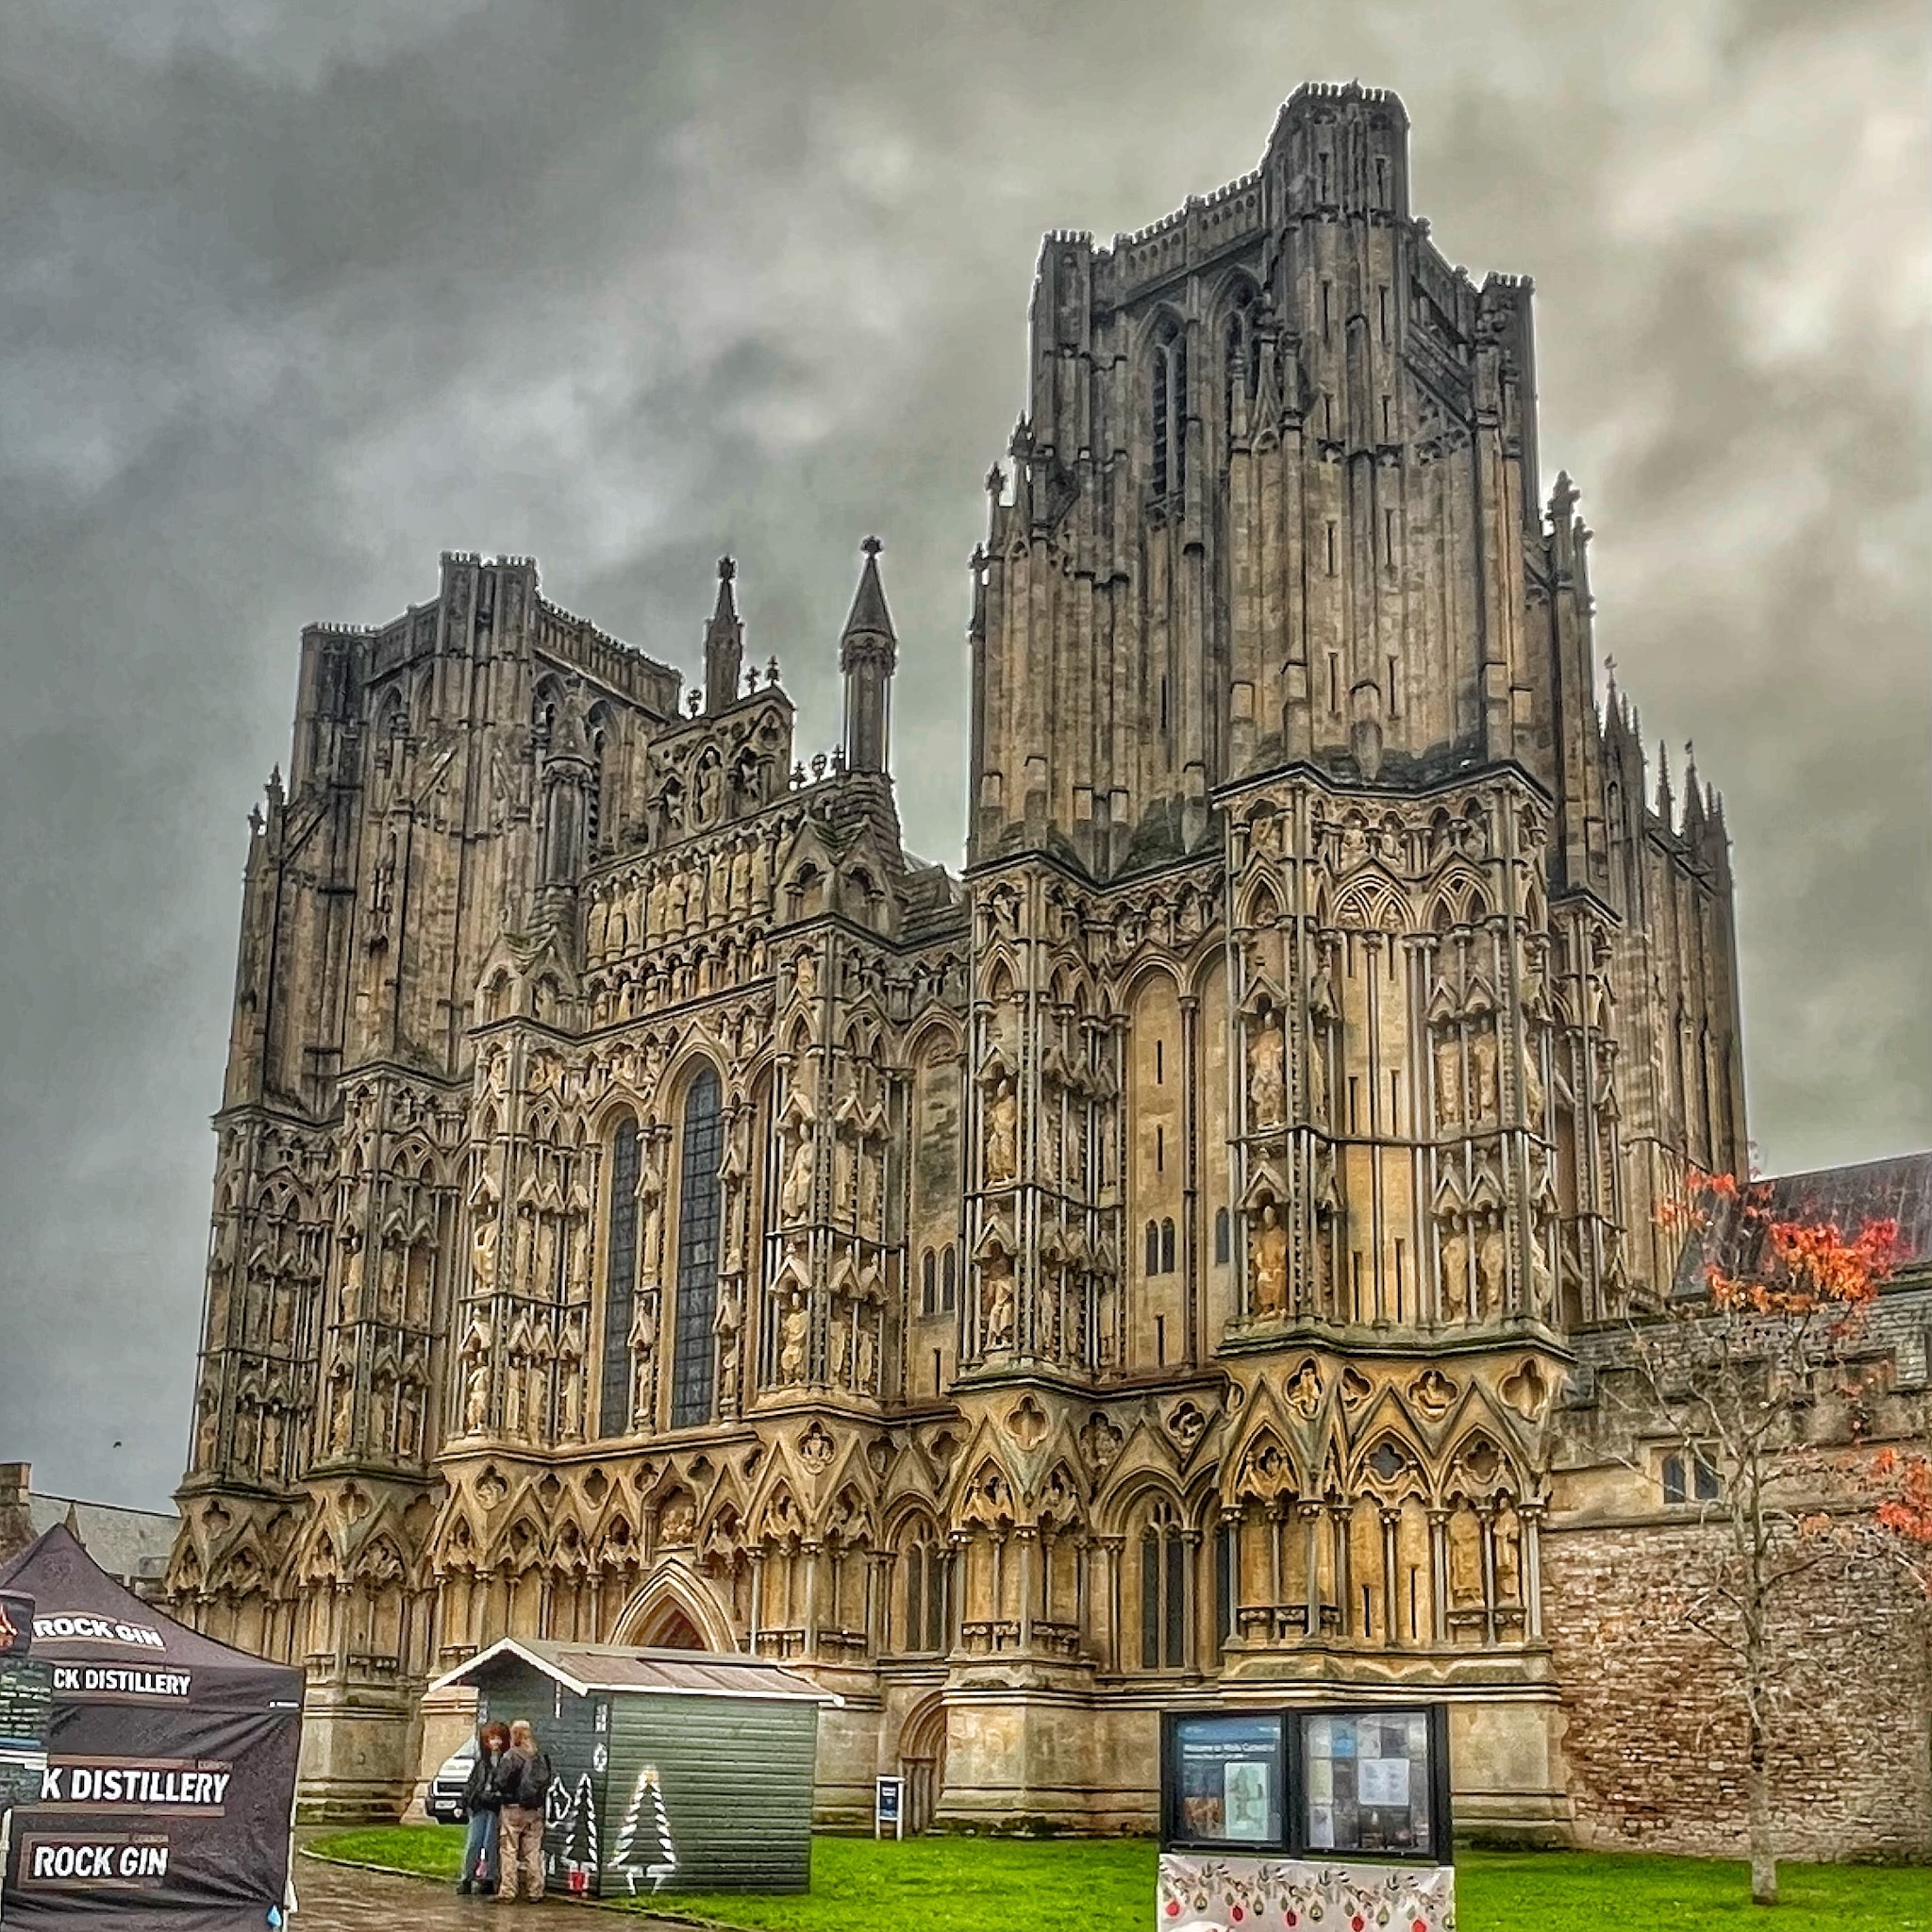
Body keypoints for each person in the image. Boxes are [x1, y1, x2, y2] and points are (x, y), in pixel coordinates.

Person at [492, 1718, 553, 1904]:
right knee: (533, 1851)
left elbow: (501, 1782)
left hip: (513, 1809)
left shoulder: (511, 1756)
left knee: (509, 1849)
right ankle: (536, 1890)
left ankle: (508, 1891)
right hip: (535, 1810)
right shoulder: (538, 1756)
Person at [457, 1721, 508, 1895]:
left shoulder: (505, 1761)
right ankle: (467, 1877)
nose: (495, 1743)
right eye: (491, 1738)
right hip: (479, 1806)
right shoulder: (482, 1762)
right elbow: (471, 1784)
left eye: (498, 1738)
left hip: (494, 1807)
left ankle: (488, 1878)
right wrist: (462, 1803)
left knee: (490, 1843)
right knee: (474, 1842)